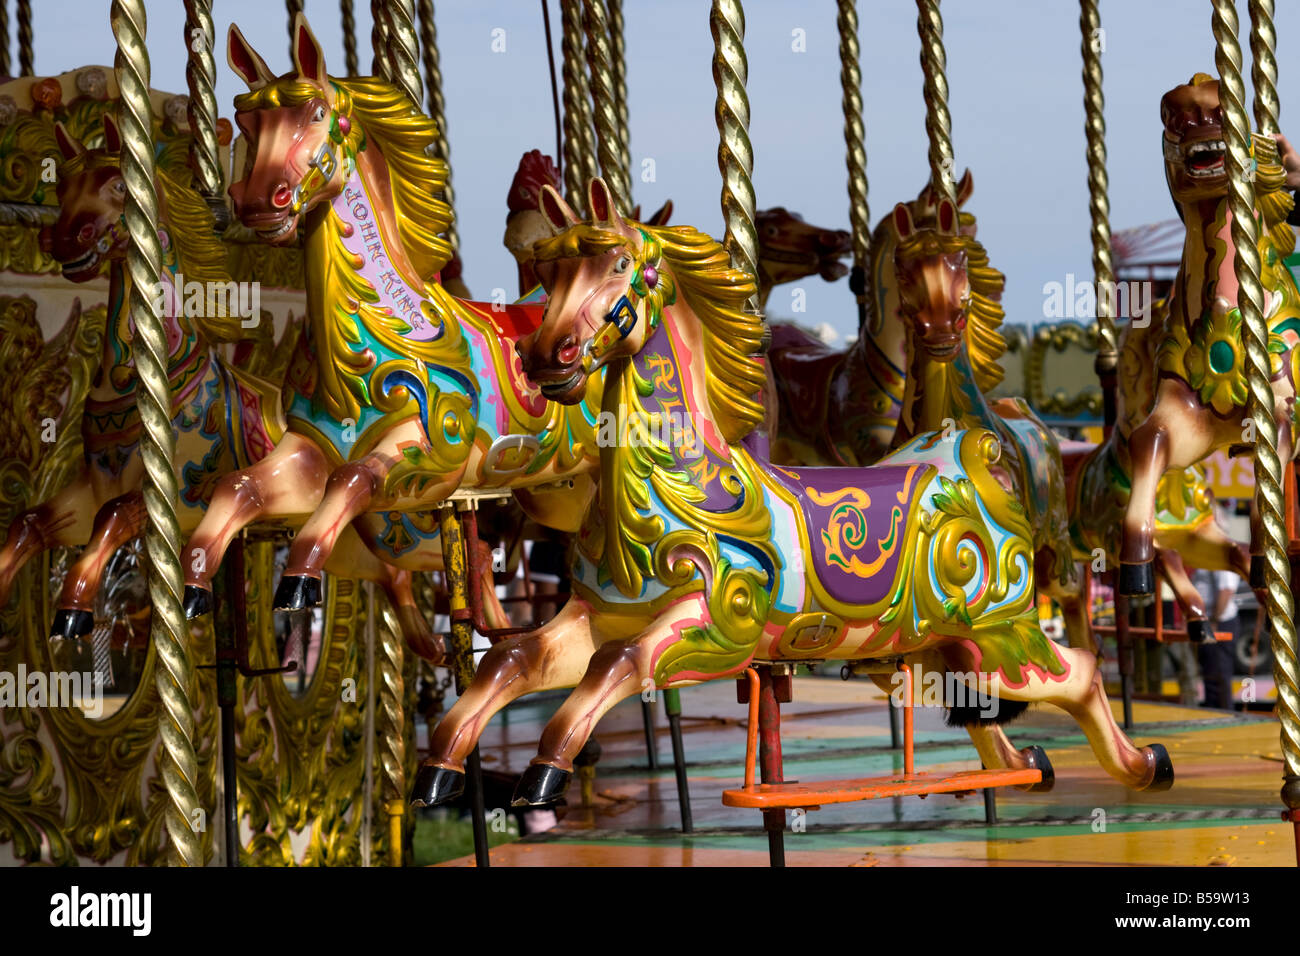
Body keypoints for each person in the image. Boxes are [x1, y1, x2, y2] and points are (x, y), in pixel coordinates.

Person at [1189, 563, 1239, 710]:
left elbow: (1226, 590)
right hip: (1209, 620)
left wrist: (1214, 621)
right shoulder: (1204, 558)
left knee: (1219, 675)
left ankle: (1225, 714)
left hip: (1219, 621)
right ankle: (1214, 712)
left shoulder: (1219, 560)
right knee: (1210, 673)